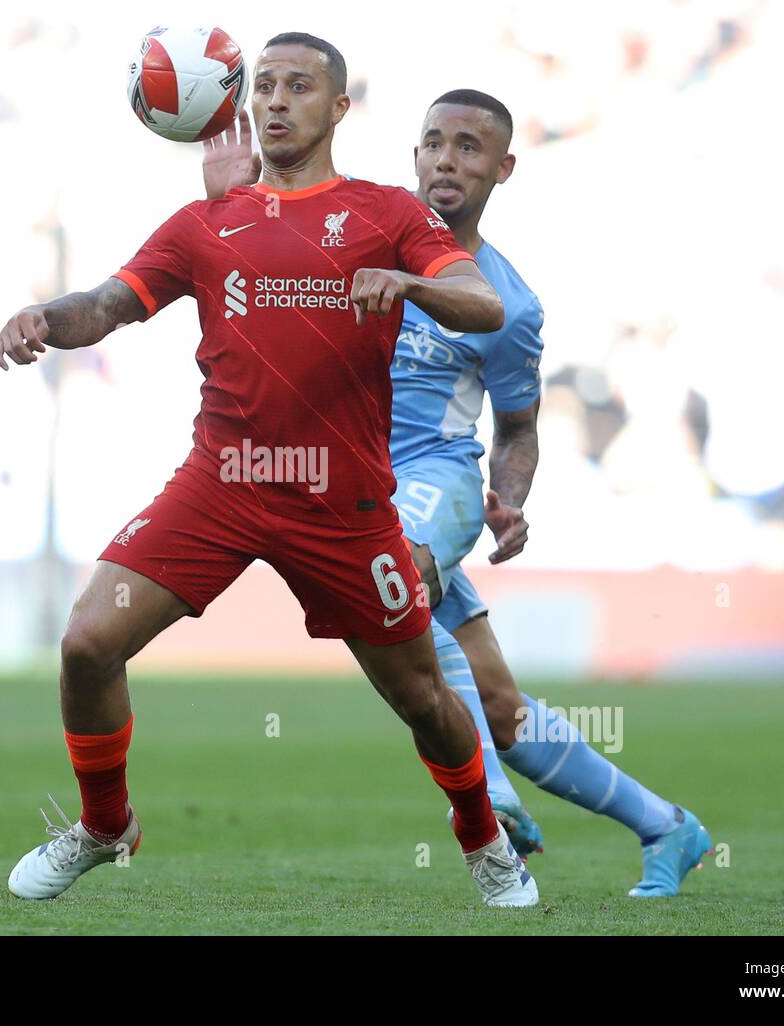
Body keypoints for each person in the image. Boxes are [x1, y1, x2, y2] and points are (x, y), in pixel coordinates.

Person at [0, 34, 538, 908]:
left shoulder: (387, 214)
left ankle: (481, 836)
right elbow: (106, 304)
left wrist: (405, 281)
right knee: (87, 644)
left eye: (299, 87)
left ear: (339, 110)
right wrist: (42, 318)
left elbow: (485, 302)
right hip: (223, 484)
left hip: (346, 503)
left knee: (423, 700)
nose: (276, 102)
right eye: (266, 88)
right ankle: (105, 826)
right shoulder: (206, 222)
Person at [204, 88, 712, 897]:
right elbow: (254, 270)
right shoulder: (356, 234)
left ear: (501, 168)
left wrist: (508, 495)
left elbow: (518, 427)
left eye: (469, 148)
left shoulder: (504, 306)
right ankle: (668, 827)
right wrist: (230, 199)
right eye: (434, 142)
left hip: (433, 489)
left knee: (394, 596)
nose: (447, 159)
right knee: (502, 708)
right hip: (350, 491)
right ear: (414, 155)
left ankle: (493, 805)